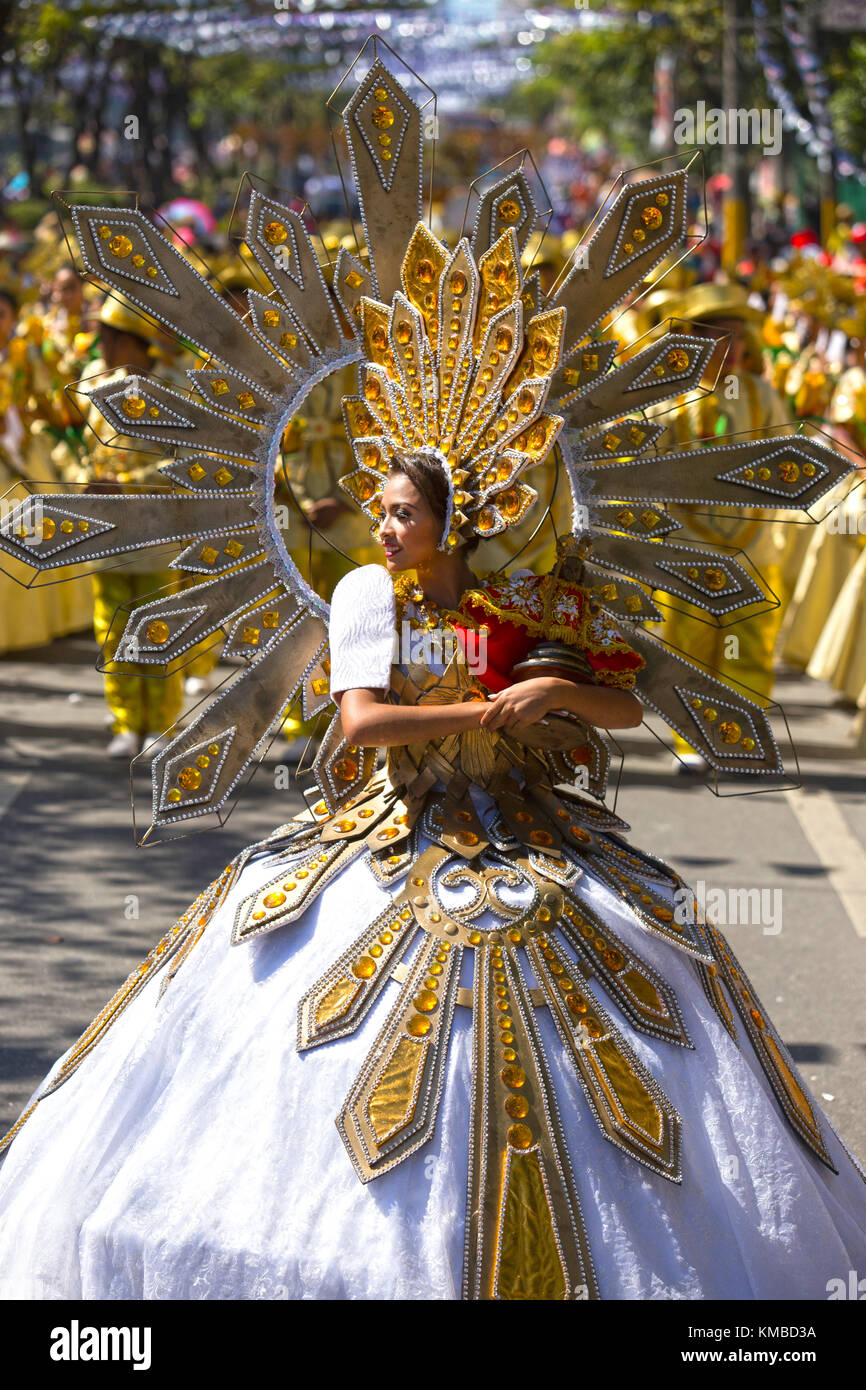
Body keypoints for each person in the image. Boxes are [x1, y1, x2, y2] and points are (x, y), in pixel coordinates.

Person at [0, 56, 863, 1303]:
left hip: (532, 838)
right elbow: (359, 726)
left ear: (455, 518)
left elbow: (618, 697)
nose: (382, 521)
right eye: (378, 505)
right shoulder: (361, 595)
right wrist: (485, 709)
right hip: (388, 837)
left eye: (402, 509)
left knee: (661, 950)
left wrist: (555, 699)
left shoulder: (521, 599)